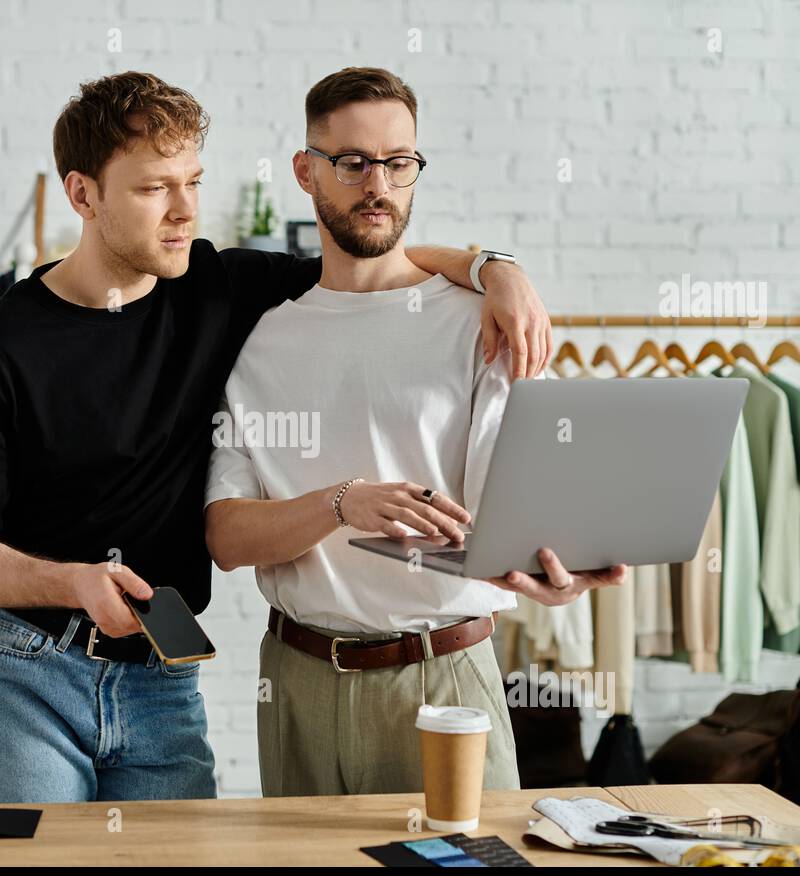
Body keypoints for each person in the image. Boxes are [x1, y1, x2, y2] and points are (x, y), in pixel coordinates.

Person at [0, 70, 556, 805]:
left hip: (160, 671)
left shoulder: (214, 286)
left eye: (194, 182)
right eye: (155, 189)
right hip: (24, 667)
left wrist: (495, 268)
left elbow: (368, 254)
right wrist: (72, 582)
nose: (185, 212)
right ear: (83, 194)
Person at [204, 67, 626, 798]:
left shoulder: (480, 324)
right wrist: (342, 503)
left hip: (445, 679)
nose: (378, 185)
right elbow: (227, 539)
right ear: (307, 172)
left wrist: (554, 574)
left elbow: (521, 520)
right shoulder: (257, 337)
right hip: (295, 681)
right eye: (352, 163)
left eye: (399, 163)